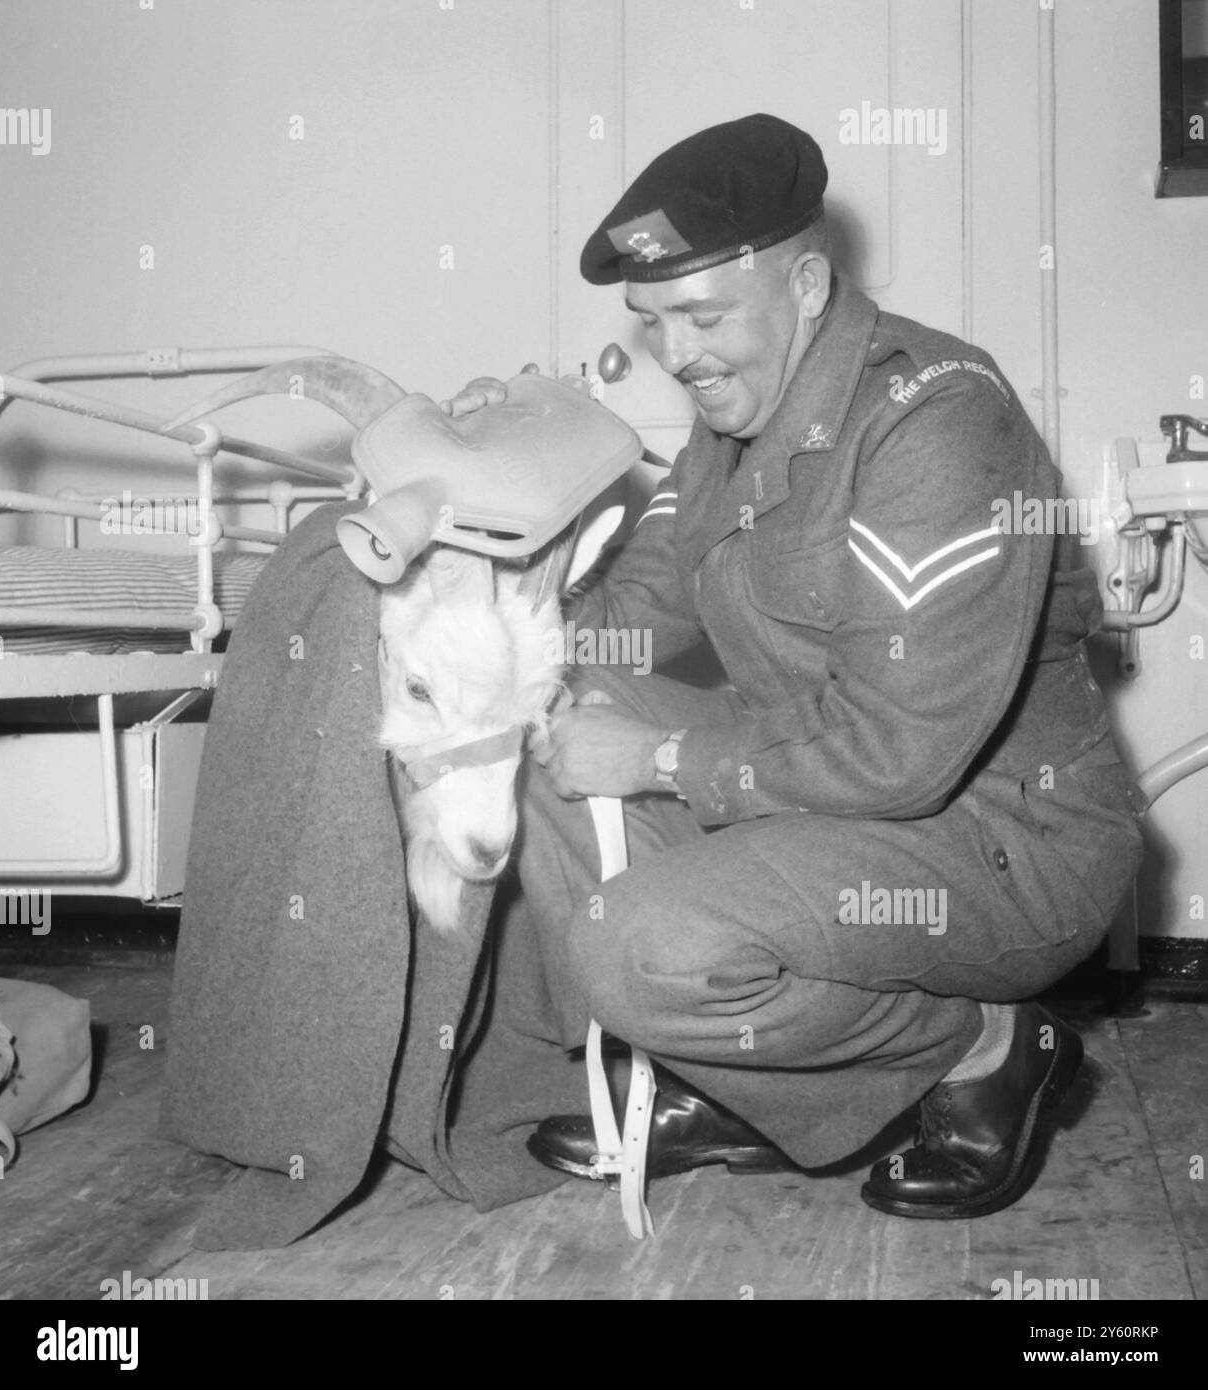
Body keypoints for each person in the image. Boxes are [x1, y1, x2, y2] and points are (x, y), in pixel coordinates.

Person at [444, 112, 1143, 1219]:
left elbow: (902, 753)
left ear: (809, 286)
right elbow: (609, 627)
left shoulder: (938, 424)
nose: (677, 355)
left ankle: (987, 1047)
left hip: (1008, 842)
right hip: (837, 809)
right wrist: (511, 460)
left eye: (703, 315)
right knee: (552, 724)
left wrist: (665, 754)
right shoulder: (726, 436)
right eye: (652, 321)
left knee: (635, 949)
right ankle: (758, 1087)